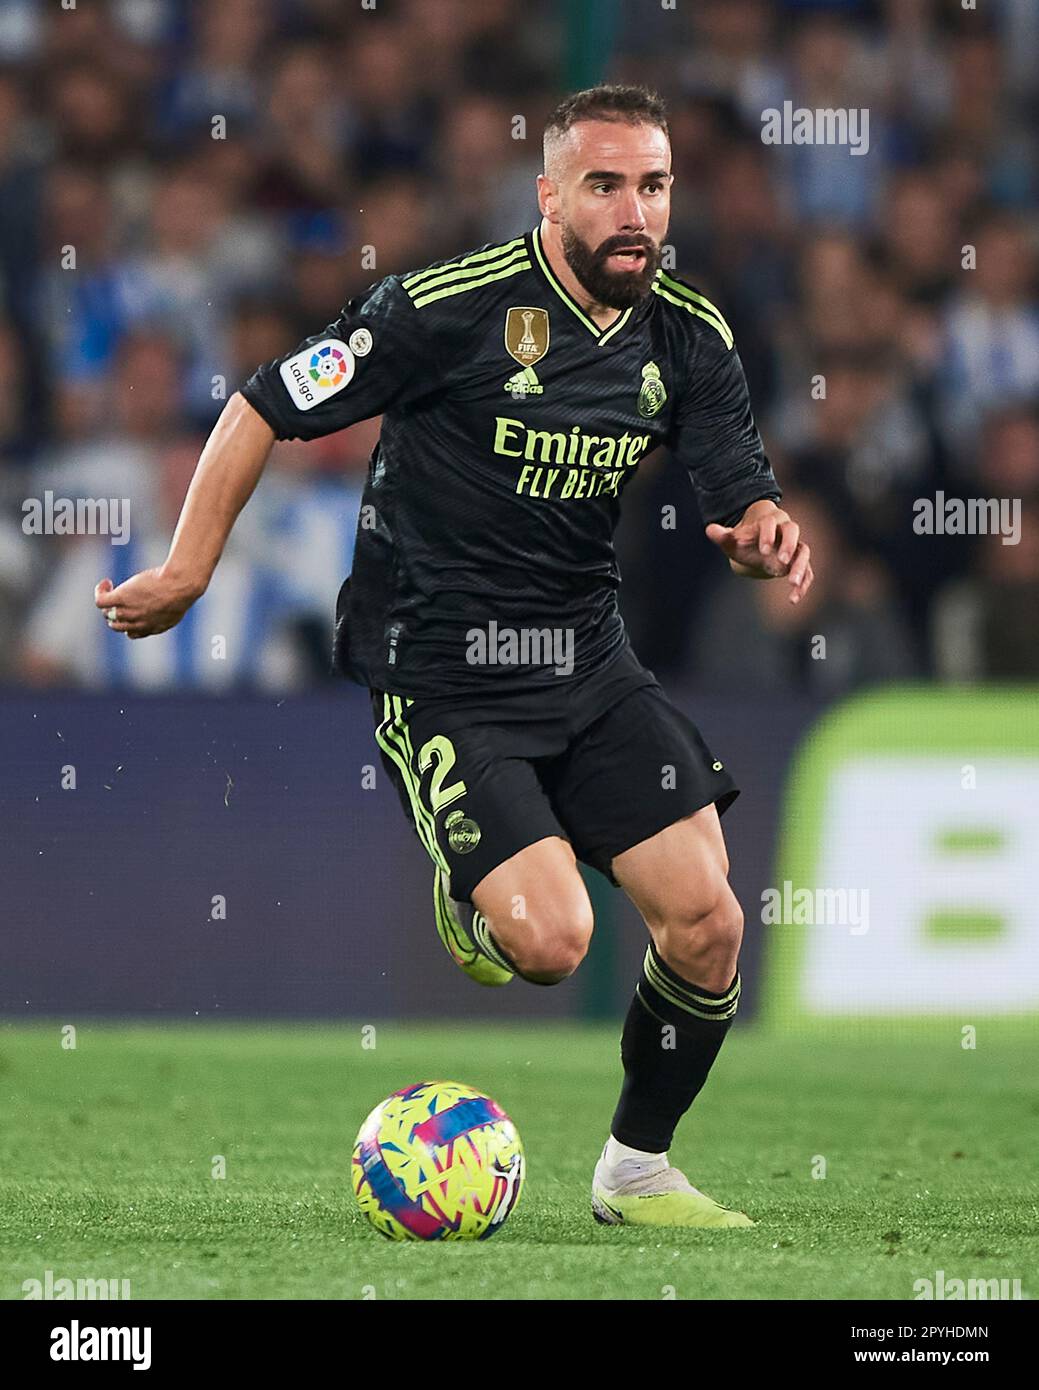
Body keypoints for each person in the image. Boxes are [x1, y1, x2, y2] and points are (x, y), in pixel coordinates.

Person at [93, 84, 813, 1229]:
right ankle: (474, 894)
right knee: (552, 944)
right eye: (606, 185)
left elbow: (738, 492)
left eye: (656, 186)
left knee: (710, 921)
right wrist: (187, 570)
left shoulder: (689, 334)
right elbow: (262, 405)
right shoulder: (445, 309)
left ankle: (636, 1169)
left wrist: (764, 534)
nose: (636, 211)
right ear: (549, 195)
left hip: (587, 658)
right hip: (439, 665)